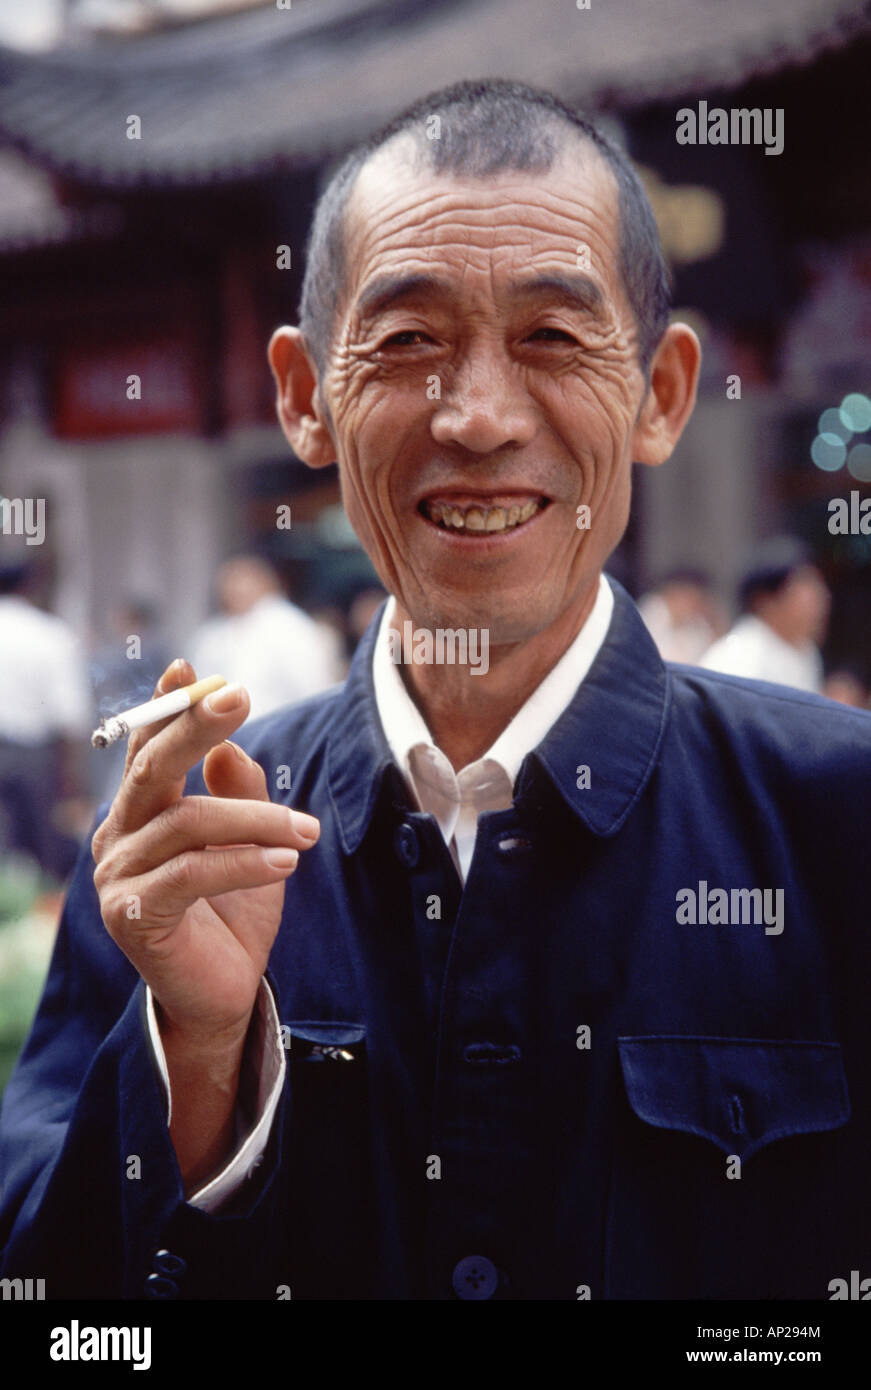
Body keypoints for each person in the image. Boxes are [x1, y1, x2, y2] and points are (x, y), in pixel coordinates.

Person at [1, 79, 869, 1302]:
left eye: (552, 337)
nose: (476, 417)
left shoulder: (836, 818)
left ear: (663, 394)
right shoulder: (179, 855)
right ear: (305, 396)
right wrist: (202, 1059)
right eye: (407, 341)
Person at [0, 558, 92, 878]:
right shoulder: (50, 633)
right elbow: (69, 713)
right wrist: (70, 778)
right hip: (33, 754)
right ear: (29, 586)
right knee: (42, 847)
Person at [189, 554, 343, 719]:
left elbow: (314, 686)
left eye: (243, 581)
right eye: (230, 582)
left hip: (278, 728)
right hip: (223, 733)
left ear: (264, 582)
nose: (236, 589)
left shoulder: (288, 624)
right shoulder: (213, 634)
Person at [699, 538, 830, 692]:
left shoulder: (806, 650)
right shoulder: (738, 661)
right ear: (765, 601)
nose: (822, 599)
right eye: (806, 590)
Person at [637, 567, 726, 664]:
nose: (694, 606)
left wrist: (714, 621)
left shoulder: (696, 623)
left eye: (698, 600)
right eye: (690, 597)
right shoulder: (653, 609)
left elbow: (713, 658)